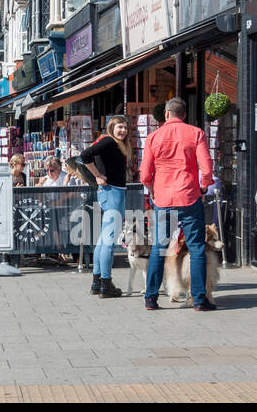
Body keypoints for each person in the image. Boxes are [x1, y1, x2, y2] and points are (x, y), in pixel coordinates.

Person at [140, 97, 216, 311]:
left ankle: (150, 298)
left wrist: (152, 188)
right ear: (184, 115)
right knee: (197, 248)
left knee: (159, 247)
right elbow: (207, 167)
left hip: (164, 199)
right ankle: (200, 299)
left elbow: (145, 173)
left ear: (166, 114)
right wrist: (204, 186)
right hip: (189, 196)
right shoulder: (196, 133)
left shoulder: (153, 137)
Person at [78, 115, 135, 299]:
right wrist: (97, 176)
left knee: (104, 238)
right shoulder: (109, 141)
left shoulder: (112, 142)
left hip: (111, 192)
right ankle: (105, 283)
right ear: (111, 127)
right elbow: (85, 155)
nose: (123, 130)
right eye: (120, 127)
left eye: (125, 128)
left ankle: (97, 281)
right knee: (109, 239)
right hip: (112, 192)